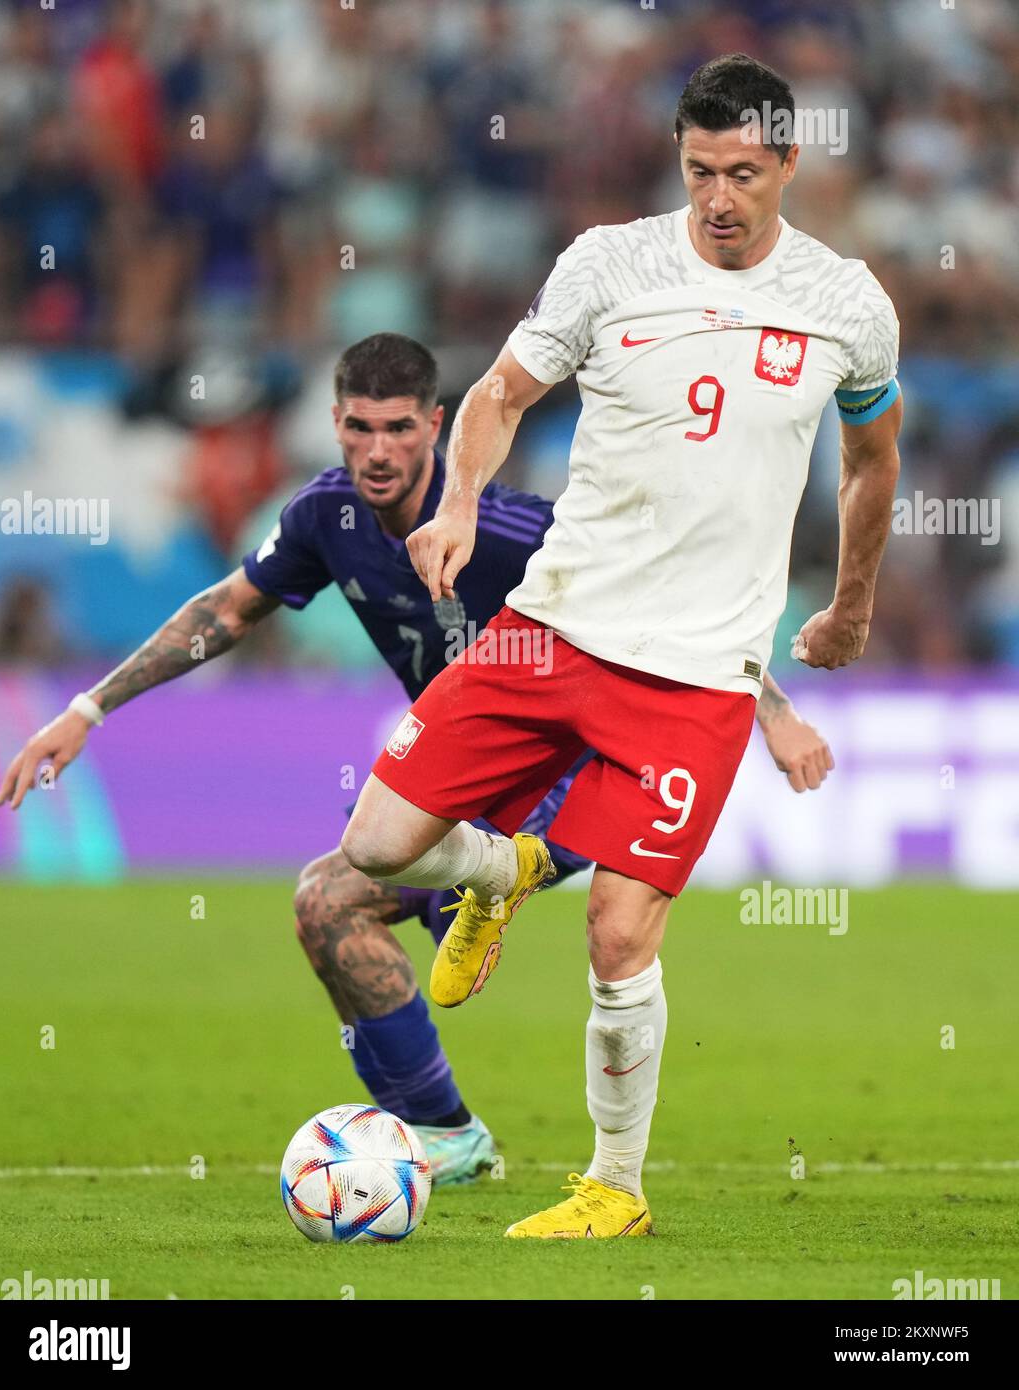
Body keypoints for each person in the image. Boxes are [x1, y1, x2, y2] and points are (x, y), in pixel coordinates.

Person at [0, 331, 835, 1185]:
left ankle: (501, 884)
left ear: (437, 425)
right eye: (360, 427)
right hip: (463, 777)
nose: (378, 449)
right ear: (334, 423)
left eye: (399, 427)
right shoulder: (328, 518)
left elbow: (666, 597)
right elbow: (229, 610)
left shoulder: (513, 532)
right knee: (327, 905)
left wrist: (774, 709)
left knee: (351, 892)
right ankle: (447, 1130)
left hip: (571, 772)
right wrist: (88, 707)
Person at [339, 55, 902, 1237]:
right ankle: (501, 872)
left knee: (620, 932)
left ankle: (614, 1185)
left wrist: (847, 609)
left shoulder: (845, 304)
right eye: (698, 170)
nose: (717, 196)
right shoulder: (608, 262)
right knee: (376, 846)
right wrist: (452, 502)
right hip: (552, 629)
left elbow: (868, 463)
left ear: (790, 162)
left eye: (742, 172)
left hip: (697, 676)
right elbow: (497, 393)